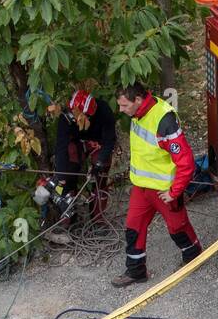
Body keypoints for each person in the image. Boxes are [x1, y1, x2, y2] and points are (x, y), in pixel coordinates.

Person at [111, 81, 203, 287]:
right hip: (142, 187)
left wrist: (174, 191)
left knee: (177, 227)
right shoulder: (137, 113)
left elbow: (186, 162)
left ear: (138, 100)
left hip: (164, 190)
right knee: (133, 228)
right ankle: (136, 271)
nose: (121, 110)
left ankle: (194, 256)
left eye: (124, 105)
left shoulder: (164, 119)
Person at [36, 89, 118, 242]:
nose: (74, 118)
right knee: (67, 172)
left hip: (98, 144)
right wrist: (60, 177)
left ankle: (98, 219)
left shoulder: (103, 111)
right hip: (77, 144)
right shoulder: (66, 118)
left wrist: (98, 164)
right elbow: (61, 148)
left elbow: (109, 140)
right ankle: (69, 217)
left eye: (78, 116)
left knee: (99, 177)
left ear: (88, 115)